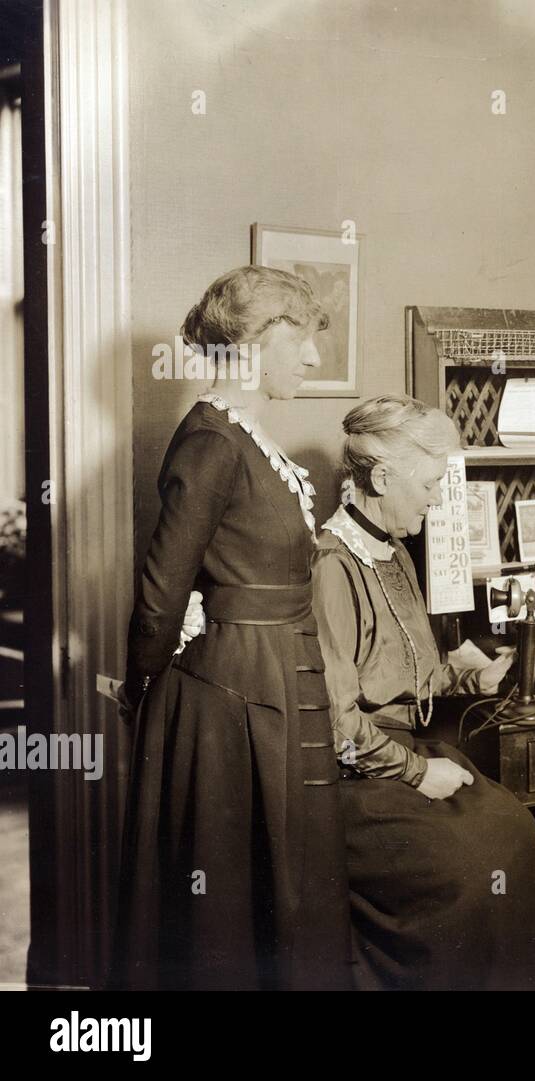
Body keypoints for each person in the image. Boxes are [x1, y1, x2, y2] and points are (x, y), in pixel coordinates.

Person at [112, 266, 351, 990]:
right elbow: (160, 592)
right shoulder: (212, 440)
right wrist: (143, 689)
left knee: (286, 885)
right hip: (229, 699)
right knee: (233, 905)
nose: (313, 357)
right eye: (302, 339)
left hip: (277, 679)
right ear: (254, 341)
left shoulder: (247, 437)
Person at [312, 394, 535, 991]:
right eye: (428, 483)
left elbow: (408, 669)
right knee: (467, 867)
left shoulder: (394, 552)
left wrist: (475, 675)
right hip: (354, 780)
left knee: (513, 830)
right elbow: (336, 721)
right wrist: (417, 774)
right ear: (382, 476)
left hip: (408, 755)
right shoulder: (329, 567)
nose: (436, 498)